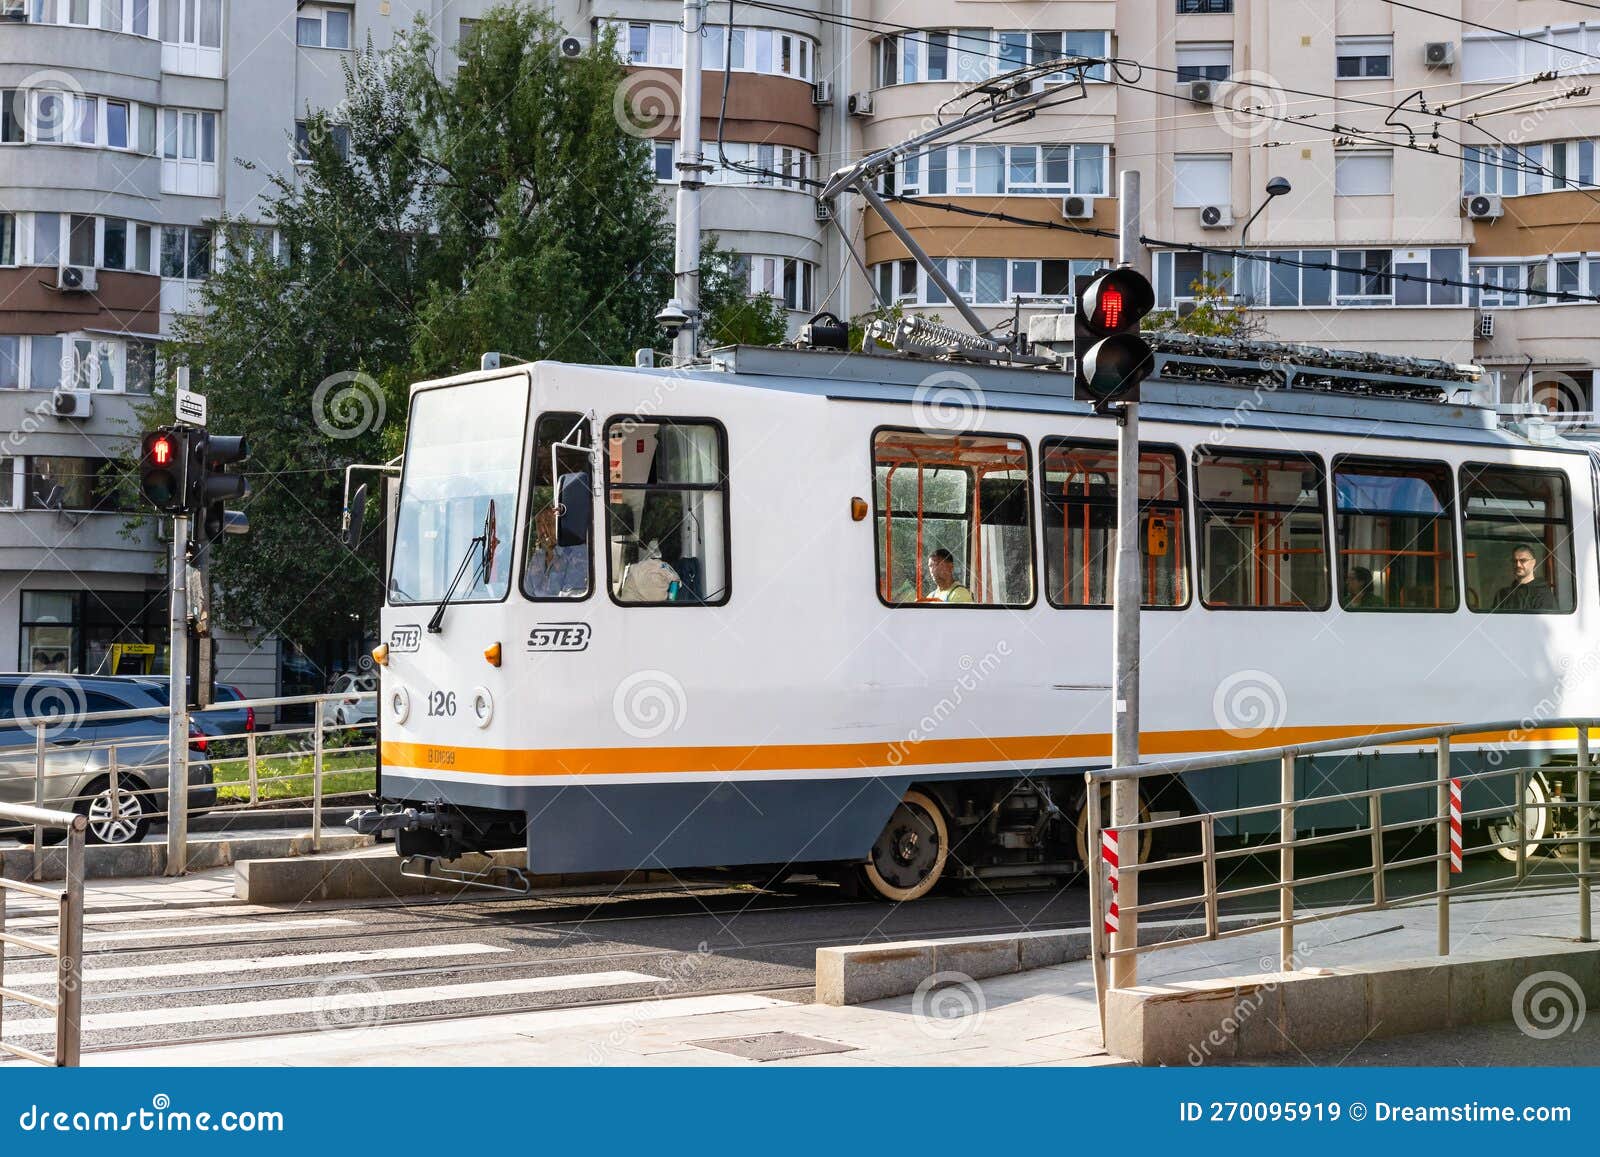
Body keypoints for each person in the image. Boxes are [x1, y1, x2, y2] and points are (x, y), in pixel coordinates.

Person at [1493, 544, 1555, 612]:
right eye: (1514, 561)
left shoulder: (1544, 595)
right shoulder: (1502, 595)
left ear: (1533, 562)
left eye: (1523, 560)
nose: (1518, 565)